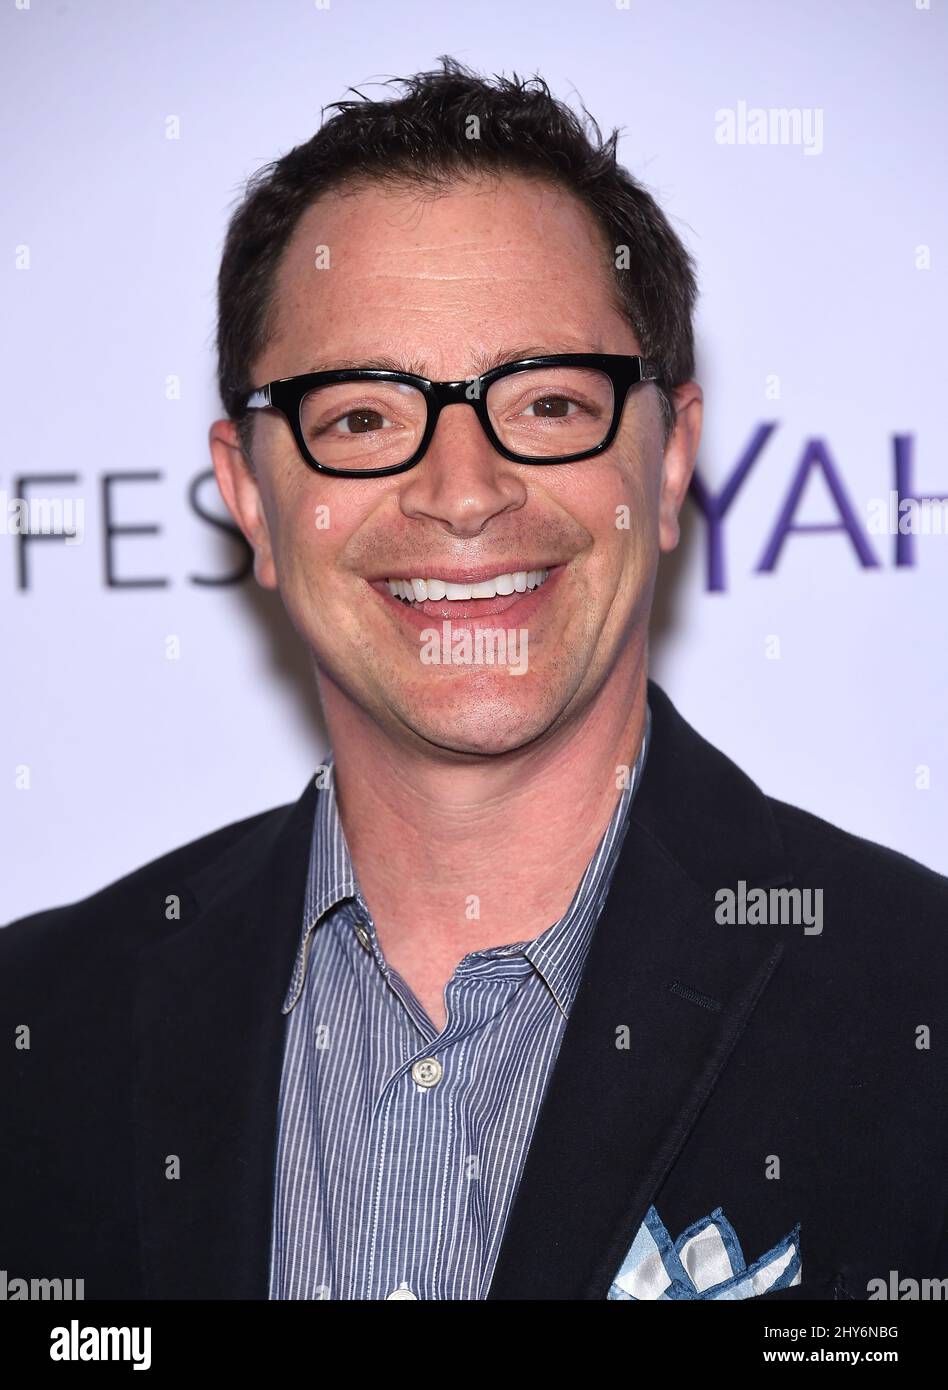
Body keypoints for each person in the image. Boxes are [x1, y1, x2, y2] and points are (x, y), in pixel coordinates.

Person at [2, 57, 945, 1303]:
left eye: (549, 403)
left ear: (669, 467)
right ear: (250, 498)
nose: (461, 492)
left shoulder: (915, 1000)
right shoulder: (38, 1035)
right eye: (361, 417)